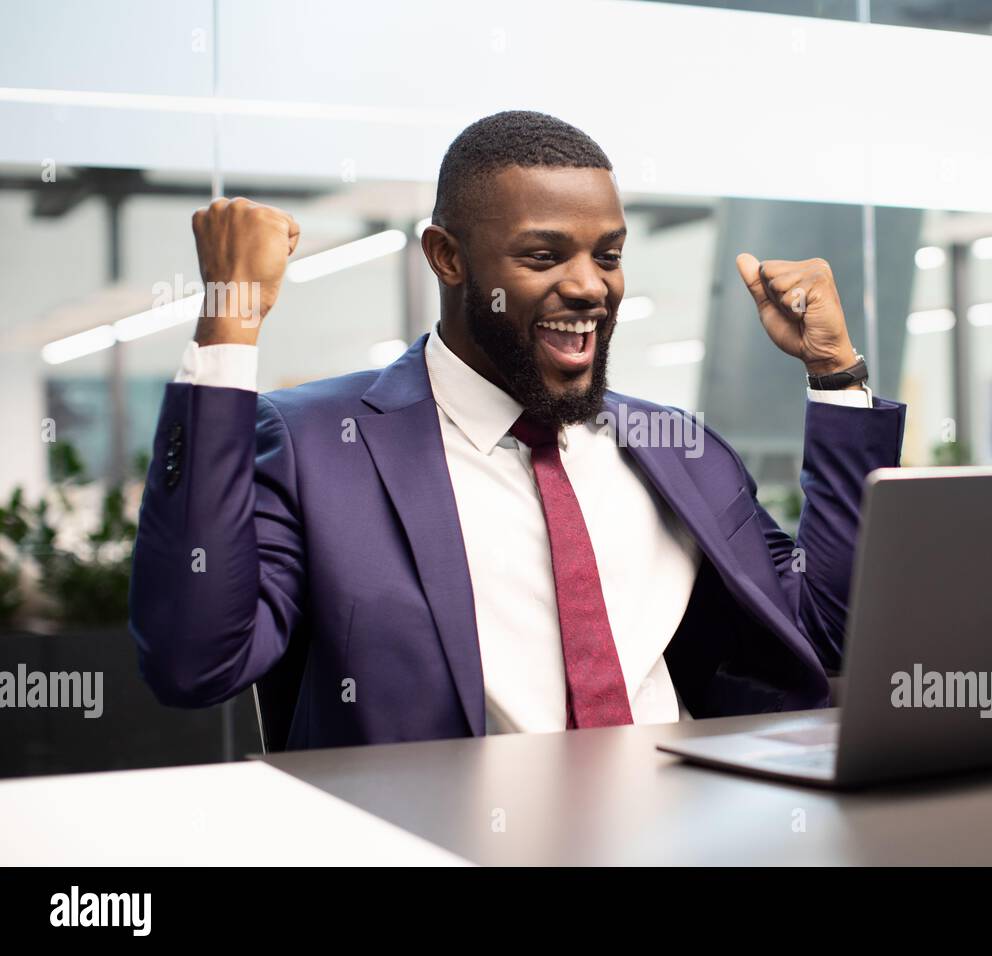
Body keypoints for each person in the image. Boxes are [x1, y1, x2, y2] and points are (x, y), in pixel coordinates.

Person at [129, 110, 905, 749]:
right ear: (447, 258)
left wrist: (835, 376)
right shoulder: (314, 445)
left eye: (608, 255)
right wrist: (229, 323)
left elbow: (825, 629)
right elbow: (196, 660)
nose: (588, 286)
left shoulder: (678, 448)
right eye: (543, 256)